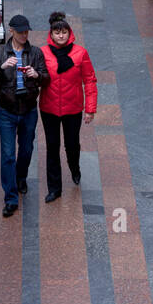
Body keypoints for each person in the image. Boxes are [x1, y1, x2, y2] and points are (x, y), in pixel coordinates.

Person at [0, 13, 50, 217]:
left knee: (27, 149)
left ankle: (21, 177)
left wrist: (36, 75)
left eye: (26, 31)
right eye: (20, 31)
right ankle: (10, 198)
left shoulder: (36, 53)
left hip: (29, 109)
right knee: (8, 155)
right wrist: (1, 68)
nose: (24, 35)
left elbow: (46, 79)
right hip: (7, 111)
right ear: (11, 31)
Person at [38, 11, 97, 200]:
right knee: (52, 147)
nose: (61, 36)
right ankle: (54, 189)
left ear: (69, 33)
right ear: (51, 34)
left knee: (72, 145)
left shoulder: (80, 53)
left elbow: (89, 80)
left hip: (73, 109)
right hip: (49, 108)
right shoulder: (43, 53)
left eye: (63, 32)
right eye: (57, 33)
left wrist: (90, 109)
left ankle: (75, 167)